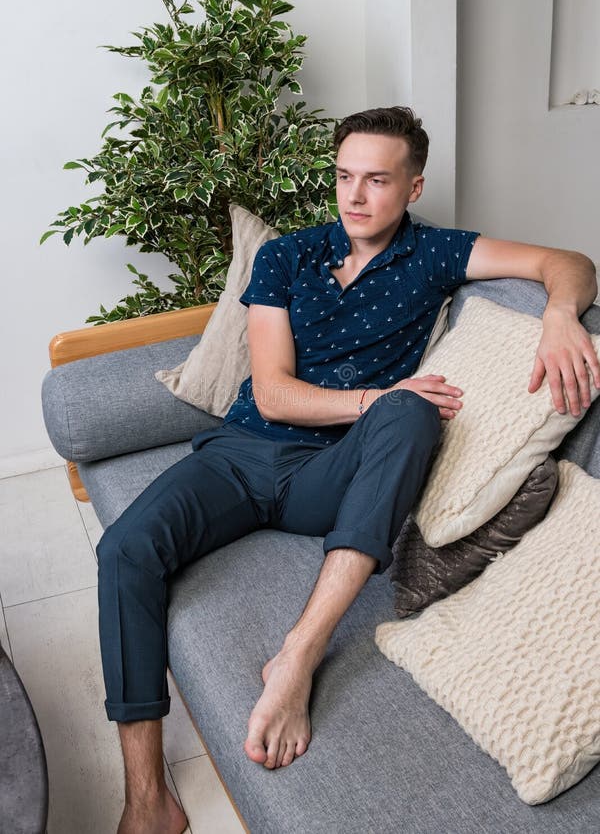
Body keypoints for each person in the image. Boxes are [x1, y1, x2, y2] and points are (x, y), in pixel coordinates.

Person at [96, 107, 599, 834]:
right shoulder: (288, 258)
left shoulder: (436, 255)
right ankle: (147, 798)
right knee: (124, 551)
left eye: (377, 180)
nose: (355, 196)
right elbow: (272, 391)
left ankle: (297, 659)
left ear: (414, 186)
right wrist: (375, 396)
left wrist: (560, 315)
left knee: (413, 414)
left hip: (331, 477)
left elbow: (569, 263)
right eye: (343, 177)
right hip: (242, 454)